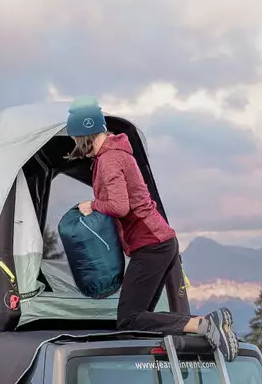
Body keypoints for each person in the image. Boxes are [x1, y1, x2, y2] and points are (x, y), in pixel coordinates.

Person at [64, 96, 239, 362]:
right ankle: (207, 326)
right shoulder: (116, 155)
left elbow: (120, 206)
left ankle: (206, 325)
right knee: (143, 317)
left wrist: (93, 205)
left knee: (129, 319)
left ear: (86, 135)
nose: (78, 147)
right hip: (159, 241)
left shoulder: (110, 159)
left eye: (77, 140)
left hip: (152, 244)